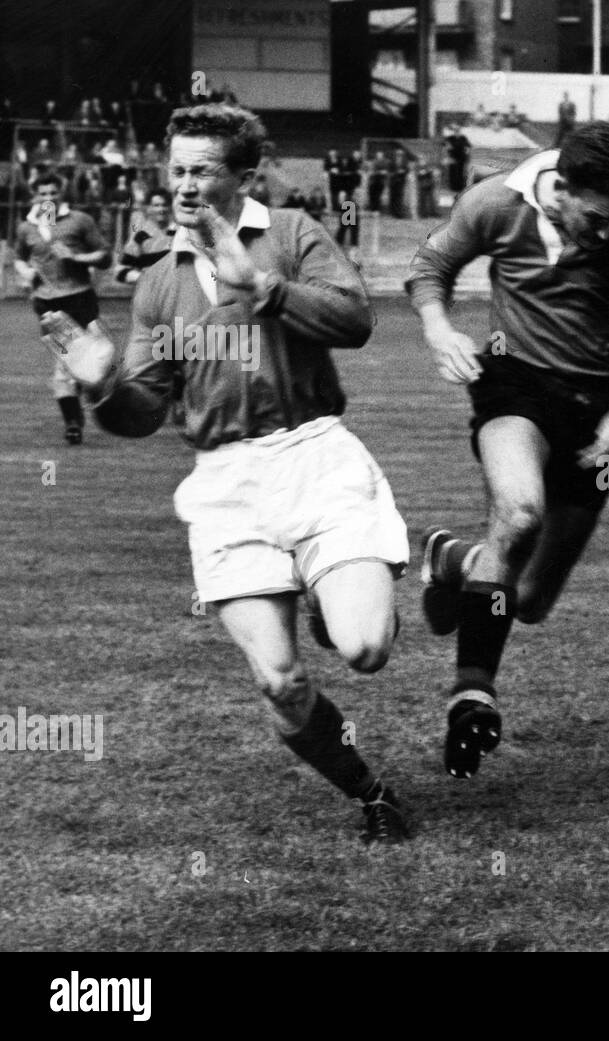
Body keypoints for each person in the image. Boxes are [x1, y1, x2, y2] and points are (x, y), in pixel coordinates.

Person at [88, 102, 410, 843]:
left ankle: (347, 589)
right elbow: (143, 408)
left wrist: (262, 286)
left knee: (364, 648)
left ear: (245, 175)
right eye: (176, 169)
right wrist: (101, 386)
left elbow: (355, 320)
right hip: (225, 482)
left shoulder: (292, 233)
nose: (185, 183)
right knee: (280, 681)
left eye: (203, 169)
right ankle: (371, 790)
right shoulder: (159, 280)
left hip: (314, 453)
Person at [405, 121, 609, 780]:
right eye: (596, 218)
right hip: (515, 385)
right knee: (518, 513)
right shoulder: (495, 202)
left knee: (532, 599)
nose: (606, 232)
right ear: (559, 187)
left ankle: (452, 558)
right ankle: (471, 695)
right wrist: (437, 328)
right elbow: (432, 267)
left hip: (605, 408)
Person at [12, 172, 111, 444]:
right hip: (48, 303)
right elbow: (19, 258)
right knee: (64, 364)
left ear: (62, 193)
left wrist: (77, 257)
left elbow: (105, 255)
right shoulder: (26, 227)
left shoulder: (80, 221)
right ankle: (72, 423)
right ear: (35, 195)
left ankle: (83, 400)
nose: (48, 198)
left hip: (80, 298)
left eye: (52, 193)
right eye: (42, 194)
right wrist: (26, 271)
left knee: (97, 362)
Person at [444, 125, 470, 195]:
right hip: (453, 158)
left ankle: (460, 187)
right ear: (454, 131)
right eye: (455, 131)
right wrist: (448, 156)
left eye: (458, 131)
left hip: (461, 158)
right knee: (453, 172)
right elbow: (447, 147)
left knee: (460, 173)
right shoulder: (450, 138)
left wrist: (467, 155)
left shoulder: (463, 138)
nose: (457, 132)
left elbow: (467, 147)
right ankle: (453, 187)